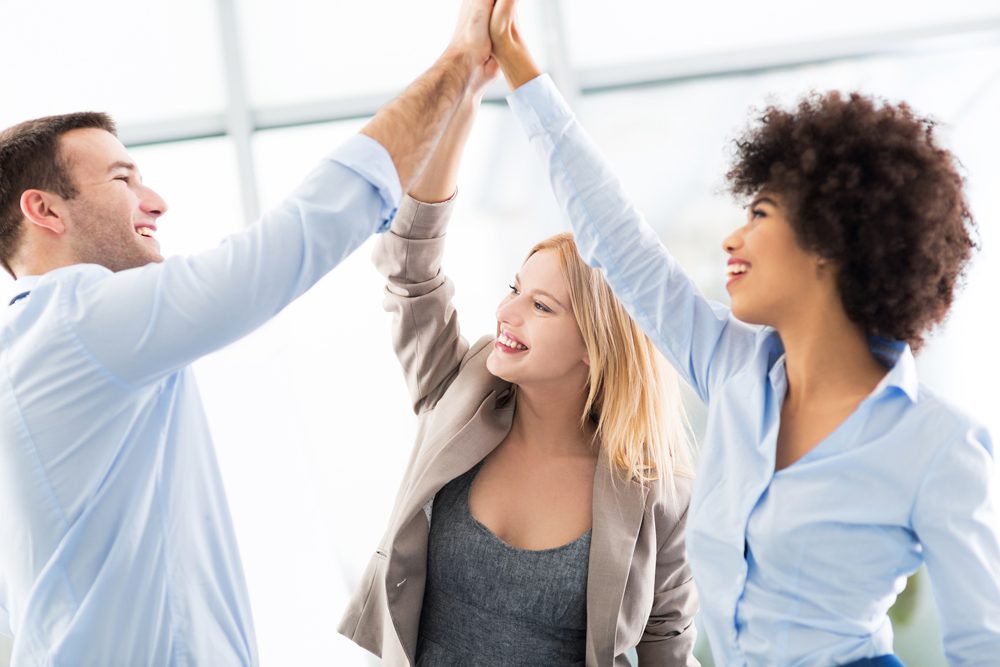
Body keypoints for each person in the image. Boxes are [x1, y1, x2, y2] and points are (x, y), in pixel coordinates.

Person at [487, 1, 1000, 666]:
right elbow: (619, 242)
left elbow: (982, 648)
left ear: (831, 240)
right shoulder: (732, 368)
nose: (734, 236)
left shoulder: (939, 446)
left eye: (760, 212)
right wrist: (523, 72)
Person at [0, 2, 497, 664]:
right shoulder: (79, 316)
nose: (156, 202)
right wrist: (457, 61)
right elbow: (294, 239)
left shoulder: (35, 349)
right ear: (44, 210)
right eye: (123, 179)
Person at [338, 38, 699, 667]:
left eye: (542, 307)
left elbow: (666, 638)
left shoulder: (656, 491)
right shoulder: (461, 390)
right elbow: (410, 269)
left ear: (597, 347)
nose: (506, 314)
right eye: (515, 290)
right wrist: (462, 103)